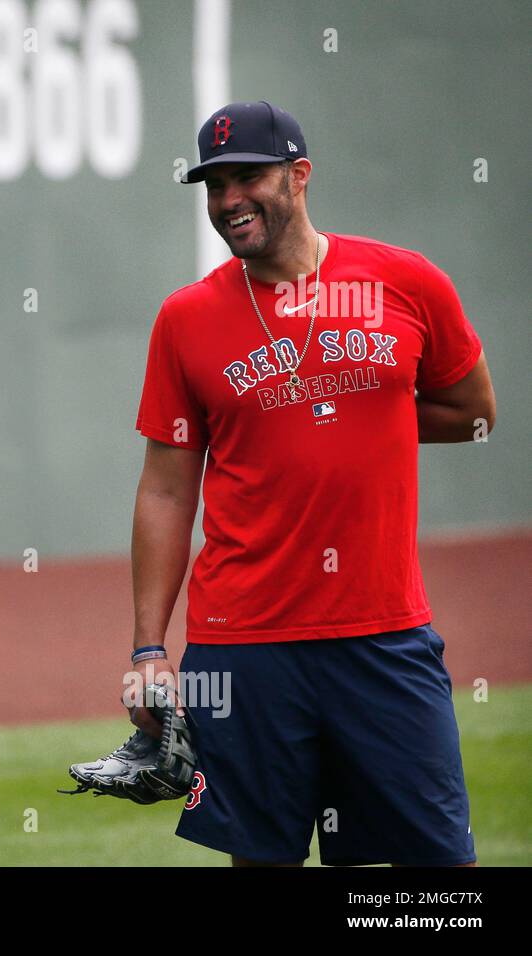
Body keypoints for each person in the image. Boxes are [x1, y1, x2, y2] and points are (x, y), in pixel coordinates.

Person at [126, 101, 495, 866]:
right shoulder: (186, 319)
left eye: (248, 178)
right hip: (245, 649)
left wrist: (370, 410)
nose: (230, 201)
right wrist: (147, 651)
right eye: (215, 185)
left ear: (299, 176)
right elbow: (166, 489)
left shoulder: (404, 281)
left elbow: (471, 411)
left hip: (385, 636)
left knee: (438, 873)